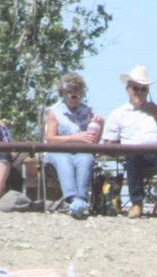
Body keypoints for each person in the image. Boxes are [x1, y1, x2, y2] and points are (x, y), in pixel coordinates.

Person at [101, 64, 157, 218]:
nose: (139, 92)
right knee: (133, 153)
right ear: (128, 89)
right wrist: (121, 150)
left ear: (148, 91)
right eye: (135, 88)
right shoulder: (118, 113)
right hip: (133, 156)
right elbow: (108, 145)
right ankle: (137, 203)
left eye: (143, 88)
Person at [43, 72, 102, 219]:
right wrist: (75, 137)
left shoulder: (87, 111)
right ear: (64, 93)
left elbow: (93, 141)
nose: (75, 98)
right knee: (64, 161)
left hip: (81, 150)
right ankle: (71, 198)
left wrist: (99, 126)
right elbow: (50, 138)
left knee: (86, 159)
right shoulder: (54, 112)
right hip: (58, 150)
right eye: (72, 95)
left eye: (78, 94)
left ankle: (81, 199)